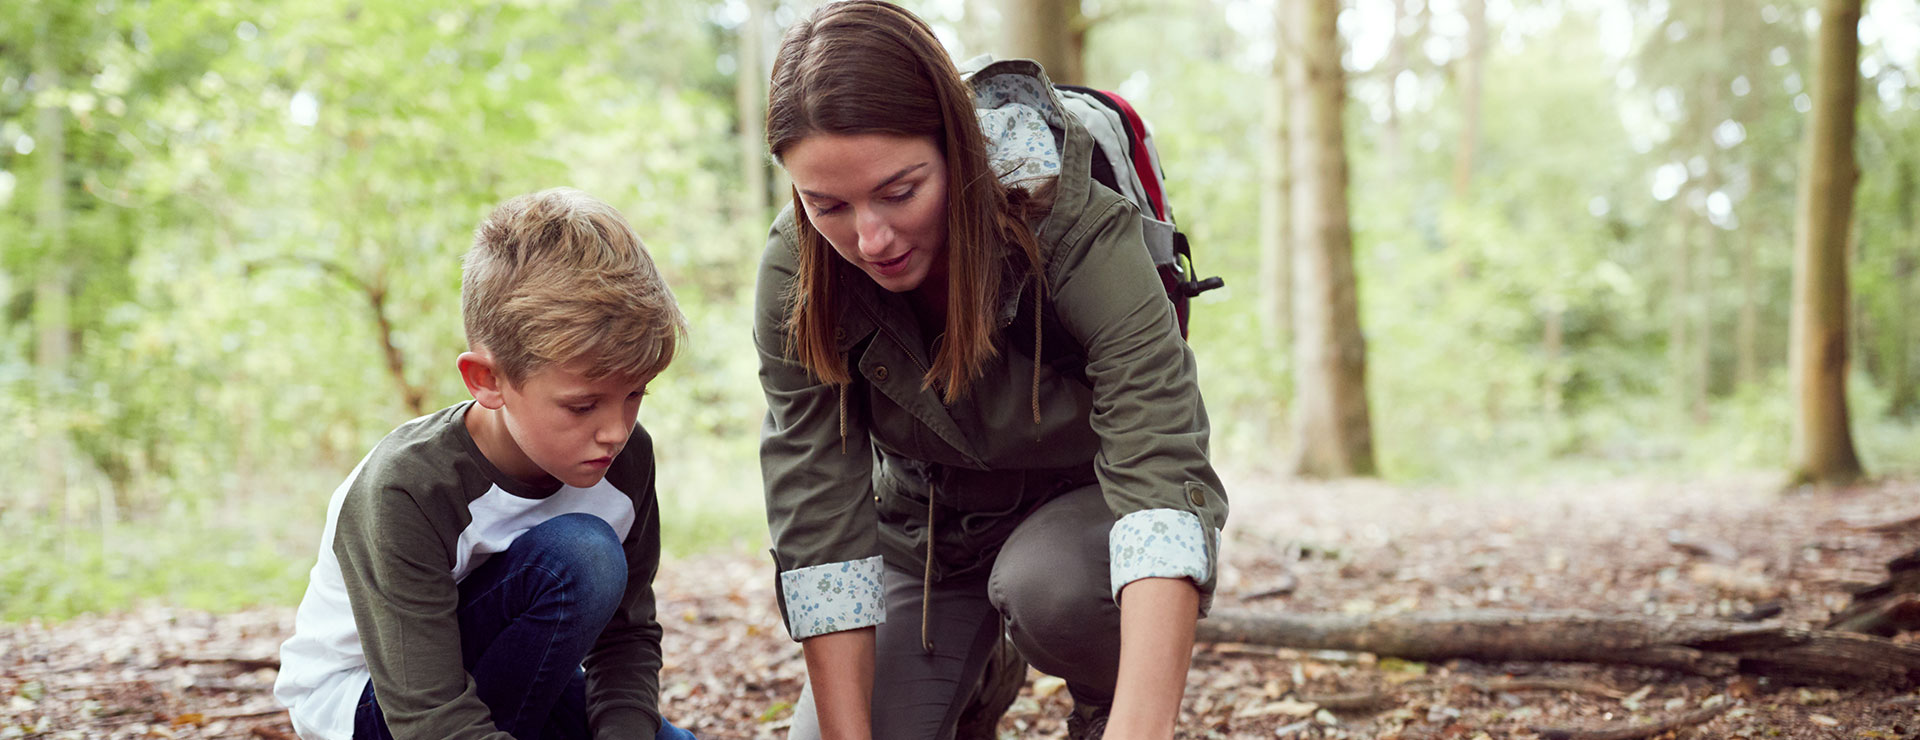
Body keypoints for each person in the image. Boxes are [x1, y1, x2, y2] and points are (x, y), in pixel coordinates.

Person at [751, 3, 1229, 740]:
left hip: (1082, 521)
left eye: (900, 193)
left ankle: (1105, 704)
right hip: (928, 535)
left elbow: (1161, 482)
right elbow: (818, 513)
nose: (871, 239)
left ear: (955, 147)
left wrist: (1142, 729)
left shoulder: (1073, 226)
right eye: (828, 205)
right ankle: (978, 673)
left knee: (1048, 589)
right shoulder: (798, 272)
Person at [274, 188, 699, 740]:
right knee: (583, 556)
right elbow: (427, 714)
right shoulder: (407, 490)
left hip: (517, 680)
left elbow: (626, 636)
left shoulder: (626, 457)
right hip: (379, 705)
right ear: (487, 380)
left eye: (636, 393)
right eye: (582, 405)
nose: (615, 430)